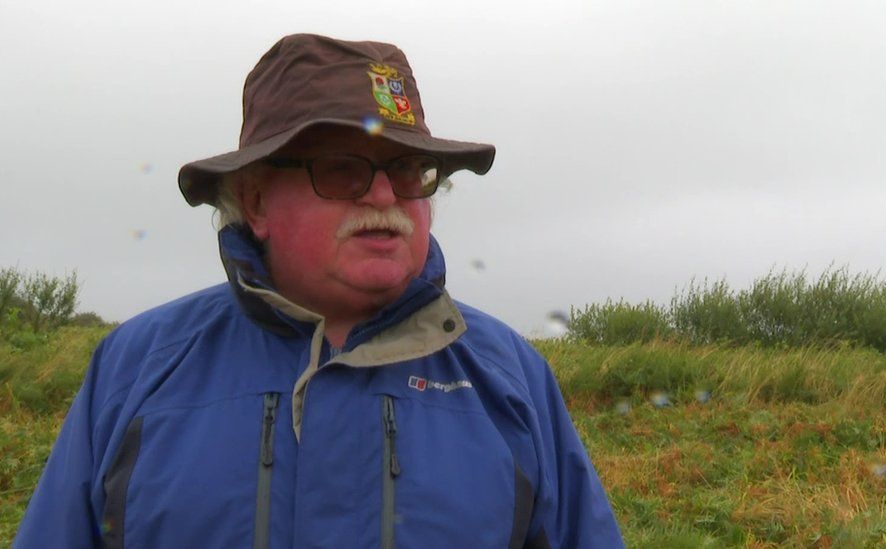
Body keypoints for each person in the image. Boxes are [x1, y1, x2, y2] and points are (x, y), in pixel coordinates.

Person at [14, 34, 623, 548]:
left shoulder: (510, 376)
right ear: (254, 199)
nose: (386, 198)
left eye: (409, 171)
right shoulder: (137, 366)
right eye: (342, 169)